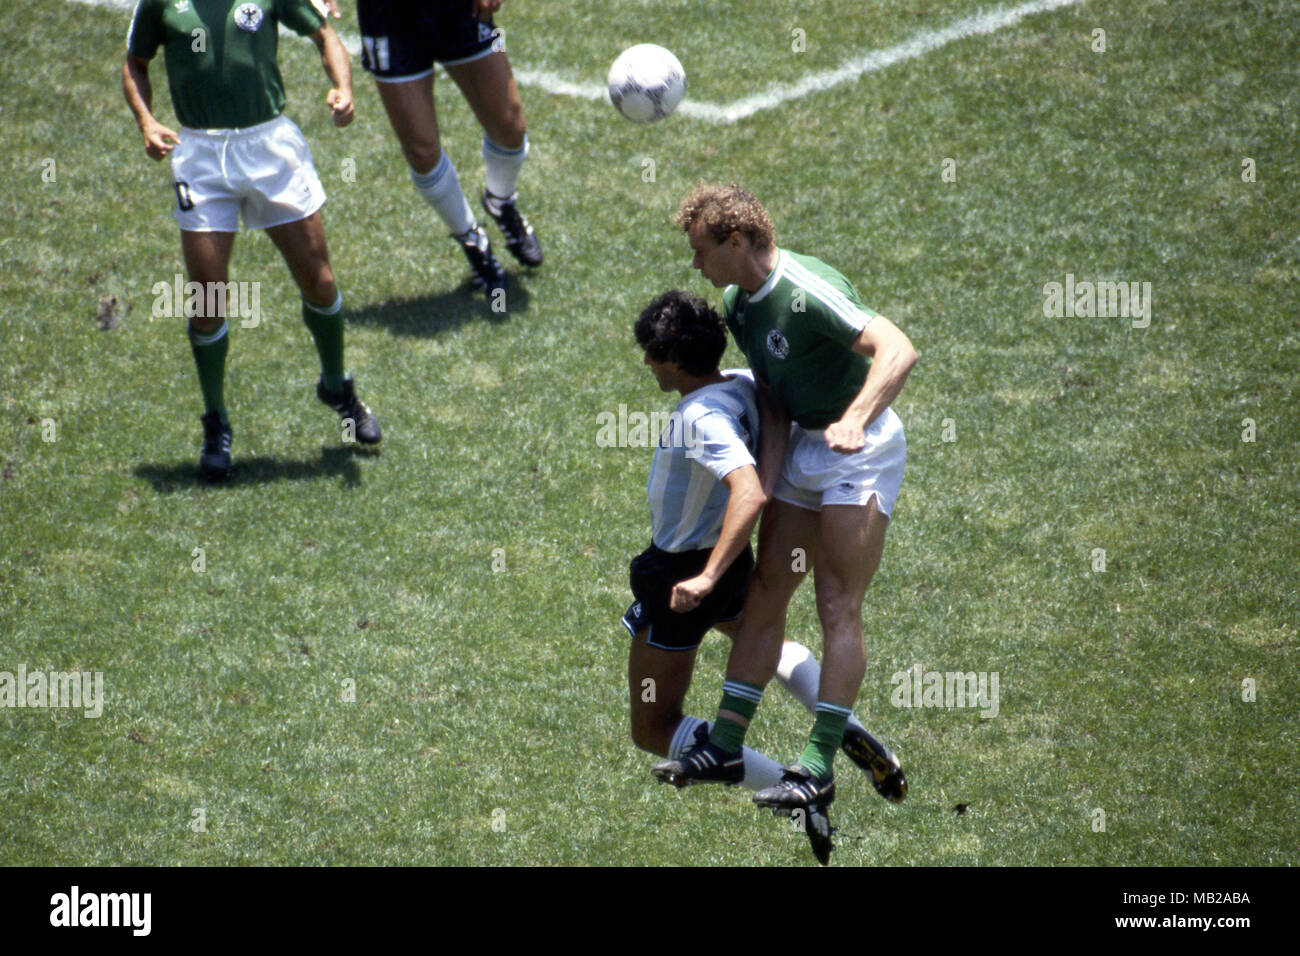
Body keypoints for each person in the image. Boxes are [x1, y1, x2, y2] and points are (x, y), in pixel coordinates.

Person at [651, 183, 916, 825]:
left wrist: (854, 419)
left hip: (859, 452)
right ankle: (723, 745)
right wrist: (768, 480)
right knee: (768, 589)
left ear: (735, 241)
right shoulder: (738, 302)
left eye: (700, 251)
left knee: (835, 603)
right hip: (801, 447)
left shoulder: (804, 290)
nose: (696, 266)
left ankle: (818, 769)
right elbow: (770, 397)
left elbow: (898, 348)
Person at [626, 290, 903, 863]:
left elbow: (746, 492)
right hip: (730, 567)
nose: (647, 365)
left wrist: (704, 577)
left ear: (673, 362)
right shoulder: (741, 382)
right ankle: (844, 725)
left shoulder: (699, 416)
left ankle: (795, 788)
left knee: (654, 725)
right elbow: (776, 413)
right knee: (763, 639)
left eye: (650, 356)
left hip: (684, 573)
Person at [123, 0, 381, 482]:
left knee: (320, 282)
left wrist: (343, 88)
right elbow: (135, 61)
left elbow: (324, 34)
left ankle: (336, 385)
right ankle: (216, 422)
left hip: (270, 147)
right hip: (200, 155)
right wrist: (146, 121)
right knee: (208, 302)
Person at [344, 0, 542, 296]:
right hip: (386, 16)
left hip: (461, 8)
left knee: (511, 126)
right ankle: (471, 237)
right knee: (421, 151)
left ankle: (500, 201)